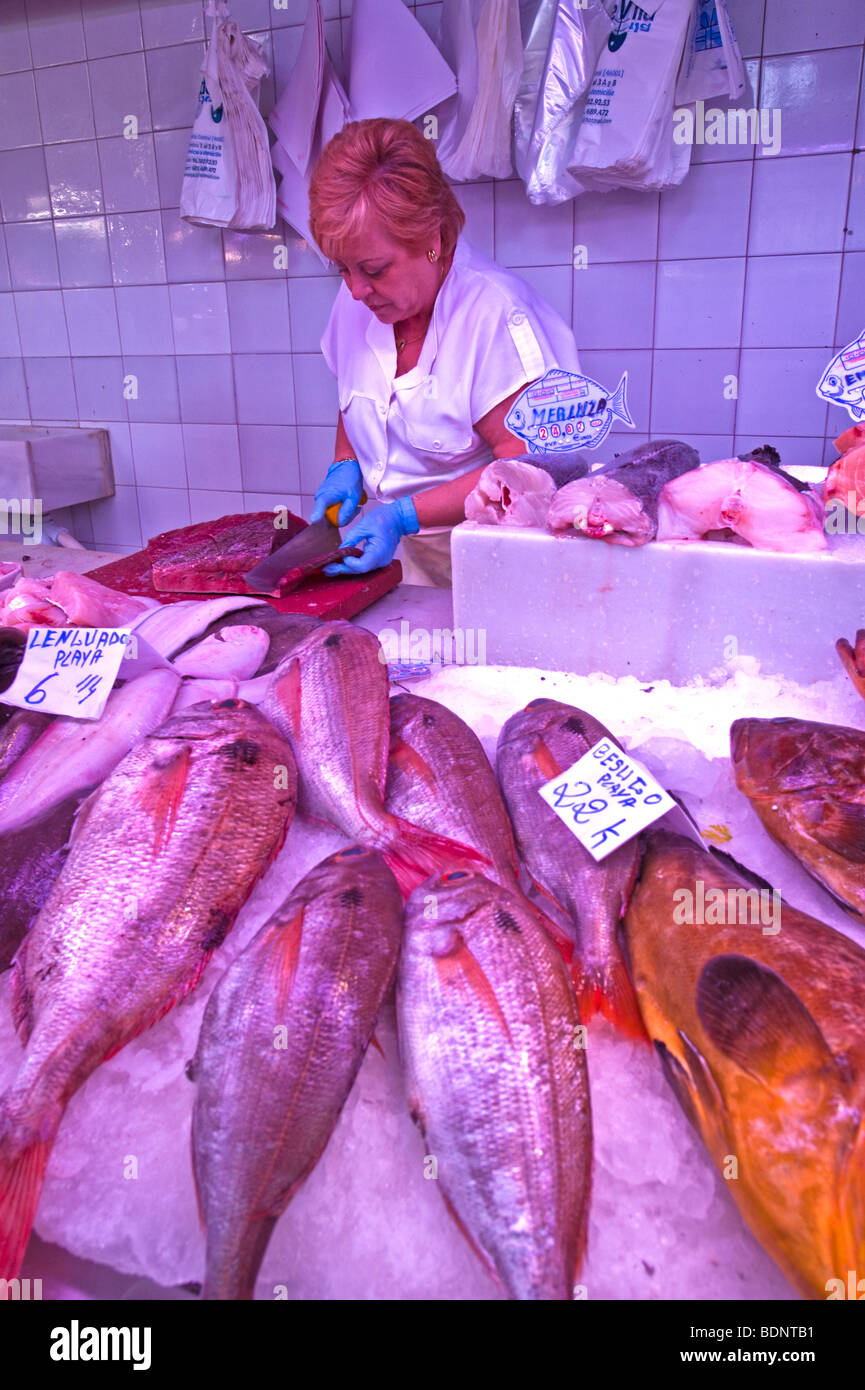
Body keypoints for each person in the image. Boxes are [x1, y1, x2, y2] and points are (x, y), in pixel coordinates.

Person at [307, 117, 581, 587]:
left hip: (493, 554)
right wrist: (345, 462)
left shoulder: (497, 316)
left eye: (372, 269)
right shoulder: (358, 301)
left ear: (431, 240)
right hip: (401, 556)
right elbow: (357, 390)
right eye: (343, 270)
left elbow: (527, 470)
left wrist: (401, 516)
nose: (355, 290)